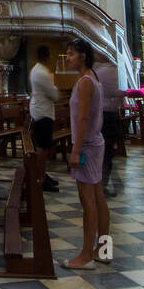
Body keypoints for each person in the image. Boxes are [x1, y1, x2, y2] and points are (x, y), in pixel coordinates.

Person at [61, 37, 109, 270]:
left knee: (87, 199)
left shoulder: (84, 82)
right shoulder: (93, 77)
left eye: (71, 53)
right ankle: (104, 249)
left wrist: (75, 150)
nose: (68, 58)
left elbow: (82, 118)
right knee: (99, 198)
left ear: (82, 55)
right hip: (95, 143)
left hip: (87, 146)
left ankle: (86, 256)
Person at [29, 45, 61, 193]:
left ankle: (42, 174)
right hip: (43, 113)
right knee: (42, 148)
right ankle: (40, 179)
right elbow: (54, 95)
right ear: (47, 56)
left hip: (40, 111)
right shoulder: (41, 72)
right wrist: (55, 89)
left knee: (43, 147)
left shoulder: (37, 70)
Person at [94, 55, 123, 198]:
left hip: (102, 114)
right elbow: (113, 92)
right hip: (107, 115)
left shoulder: (99, 70)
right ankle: (101, 185)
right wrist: (123, 93)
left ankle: (100, 184)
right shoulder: (109, 70)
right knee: (106, 152)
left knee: (105, 152)